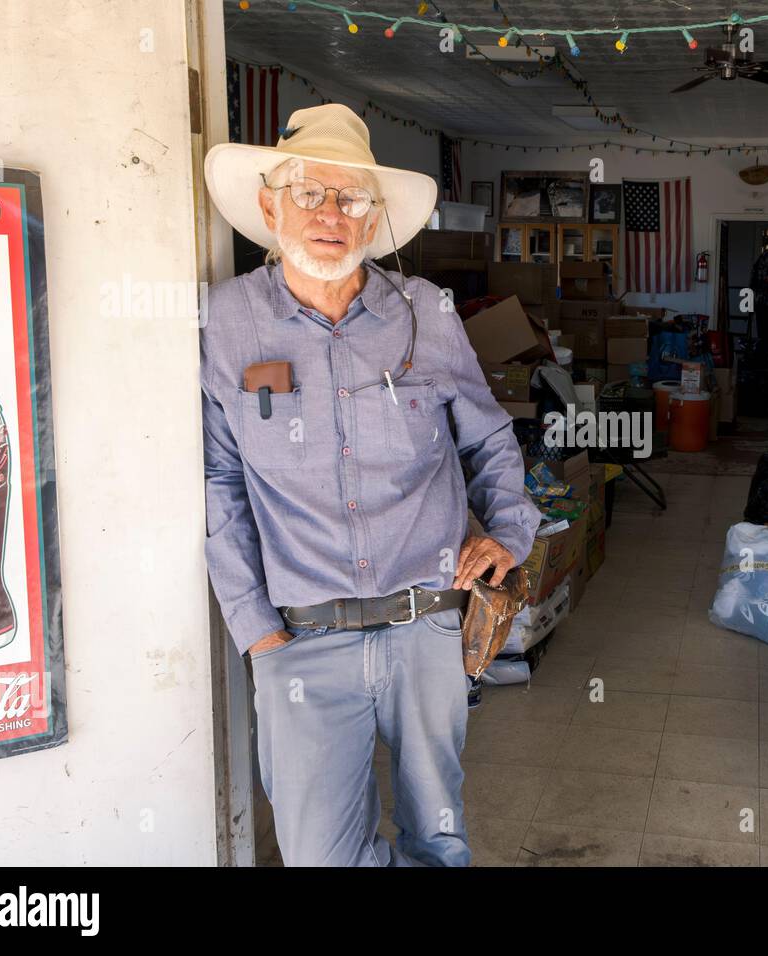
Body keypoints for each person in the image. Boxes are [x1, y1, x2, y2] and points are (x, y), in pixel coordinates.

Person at [199, 104, 540, 866]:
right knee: (322, 854)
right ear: (269, 206)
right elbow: (220, 477)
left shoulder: (424, 311)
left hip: (426, 627)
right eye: (309, 193)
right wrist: (254, 627)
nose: (330, 215)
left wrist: (507, 532)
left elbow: (488, 434)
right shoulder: (226, 320)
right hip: (301, 637)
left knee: (438, 838)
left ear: (374, 216)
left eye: (351, 198)